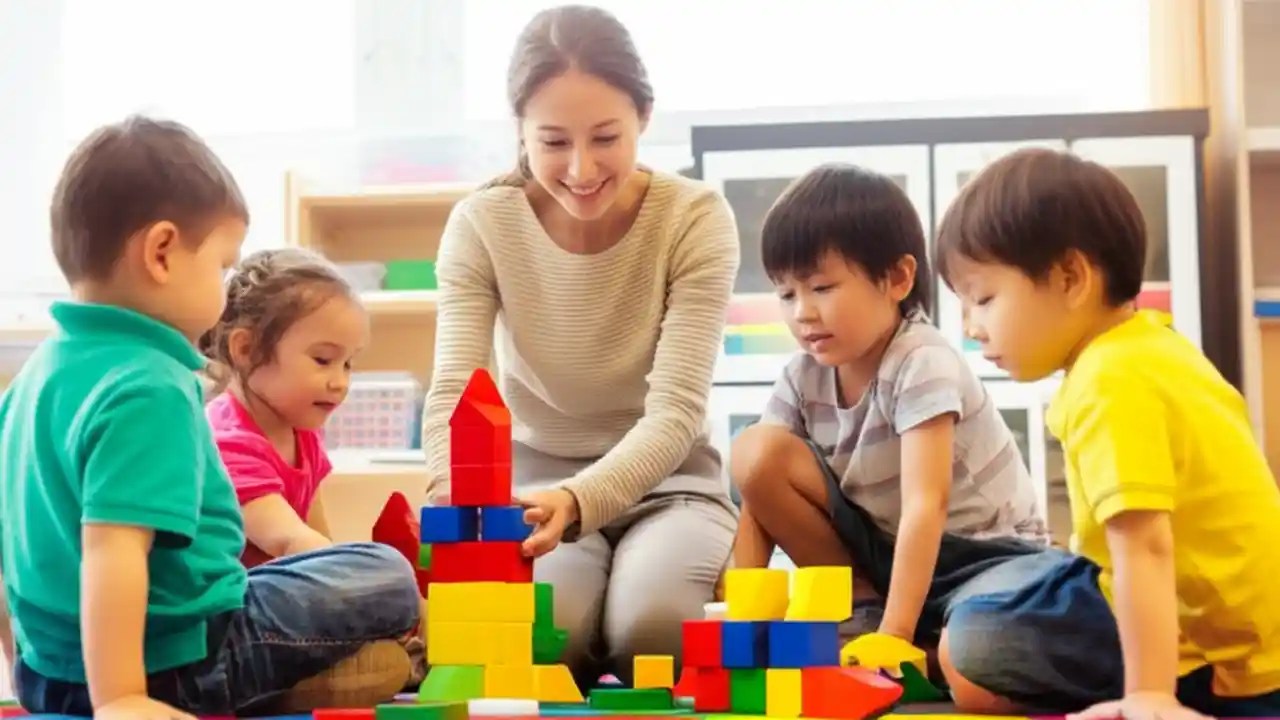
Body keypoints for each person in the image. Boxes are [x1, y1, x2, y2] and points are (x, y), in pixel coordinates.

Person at [0, 115, 421, 719]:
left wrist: (28, 670)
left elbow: (8, 547)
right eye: (223, 265)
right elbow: (112, 549)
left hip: (50, 675)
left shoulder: (33, 379)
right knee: (385, 572)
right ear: (163, 252)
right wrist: (121, 698)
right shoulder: (149, 385)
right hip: (177, 663)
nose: (226, 287)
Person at [419, 4, 739, 687]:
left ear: (644, 118)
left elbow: (676, 412)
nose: (582, 167)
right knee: (539, 641)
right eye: (554, 142)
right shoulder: (481, 223)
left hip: (671, 487)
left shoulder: (694, 218)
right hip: (533, 495)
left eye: (605, 137)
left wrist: (581, 498)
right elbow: (455, 390)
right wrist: (462, 519)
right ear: (519, 131)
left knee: (651, 635)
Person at [933, 146, 1280, 718]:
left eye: (984, 299)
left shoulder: (1109, 379)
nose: (972, 328)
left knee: (968, 644)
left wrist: (1150, 694)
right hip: (1240, 630)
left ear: (1070, 277)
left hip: (1215, 655)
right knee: (993, 614)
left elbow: (1144, 544)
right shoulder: (1151, 346)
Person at [728, 163, 1050, 669]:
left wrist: (894, 637)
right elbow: (757, 491)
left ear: (897, 278)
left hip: (982, 556)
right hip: (885, 550)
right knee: (756, 451)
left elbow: (927, 504)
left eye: (822, 287)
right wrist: (735, 623)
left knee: (981, 649)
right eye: (787, 294)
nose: (802, 313)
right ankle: (865, 615)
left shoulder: (921, 360)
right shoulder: (802, 375)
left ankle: (906, 638)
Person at [199, 247, 427, 688]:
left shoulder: (302, 433)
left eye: (348, 363)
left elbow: (323, 544)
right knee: (387, 572)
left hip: (281, 610)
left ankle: (330, 675)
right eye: (323, 360)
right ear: (245, 350)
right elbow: (291, 540)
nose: (340, 380)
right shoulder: (228, 438)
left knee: (380, 593)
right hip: (232, 620)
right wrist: (394, 596)